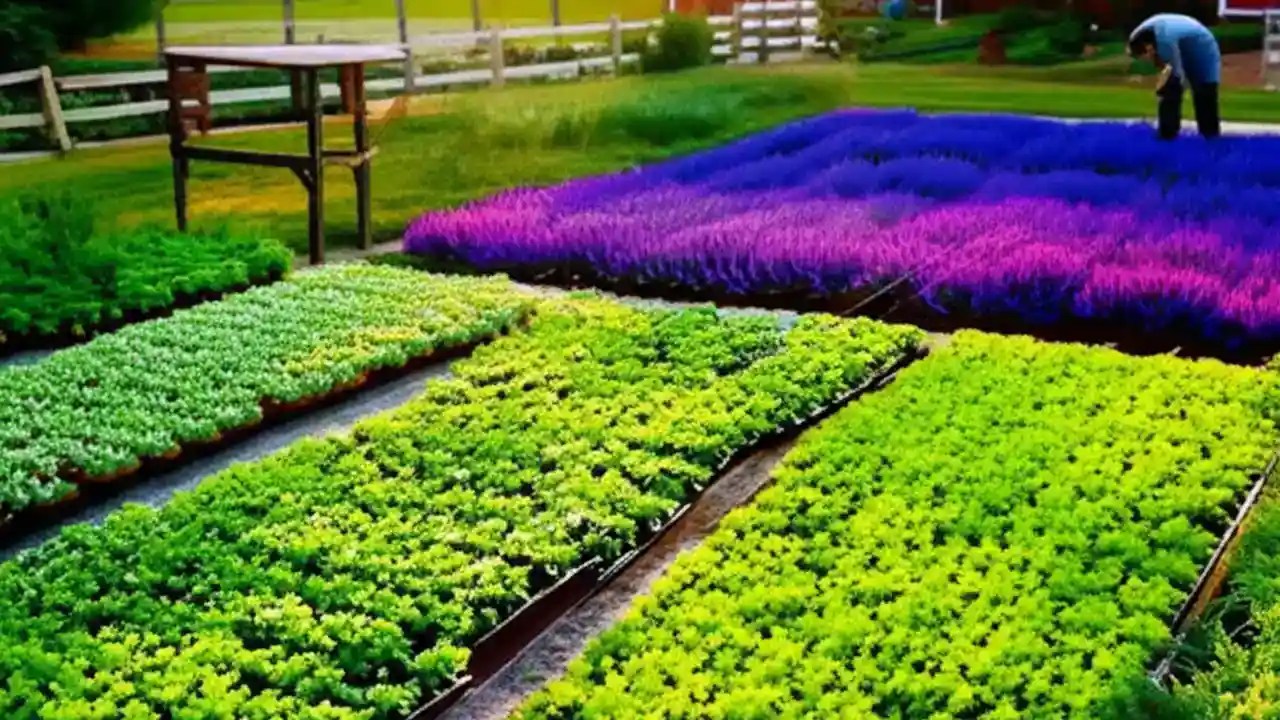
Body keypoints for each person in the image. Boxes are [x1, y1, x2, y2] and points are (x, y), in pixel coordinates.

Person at [1128, 14, 1222, 140]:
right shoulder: (1138, 37)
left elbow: (1175, 75)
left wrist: (1163, 87)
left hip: (1203, 46)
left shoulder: (1164, 41)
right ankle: (1169, 131)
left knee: (1203, 91)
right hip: (1184, 38)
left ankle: (1202, 134)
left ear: (1148, 48)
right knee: (1171, 86)